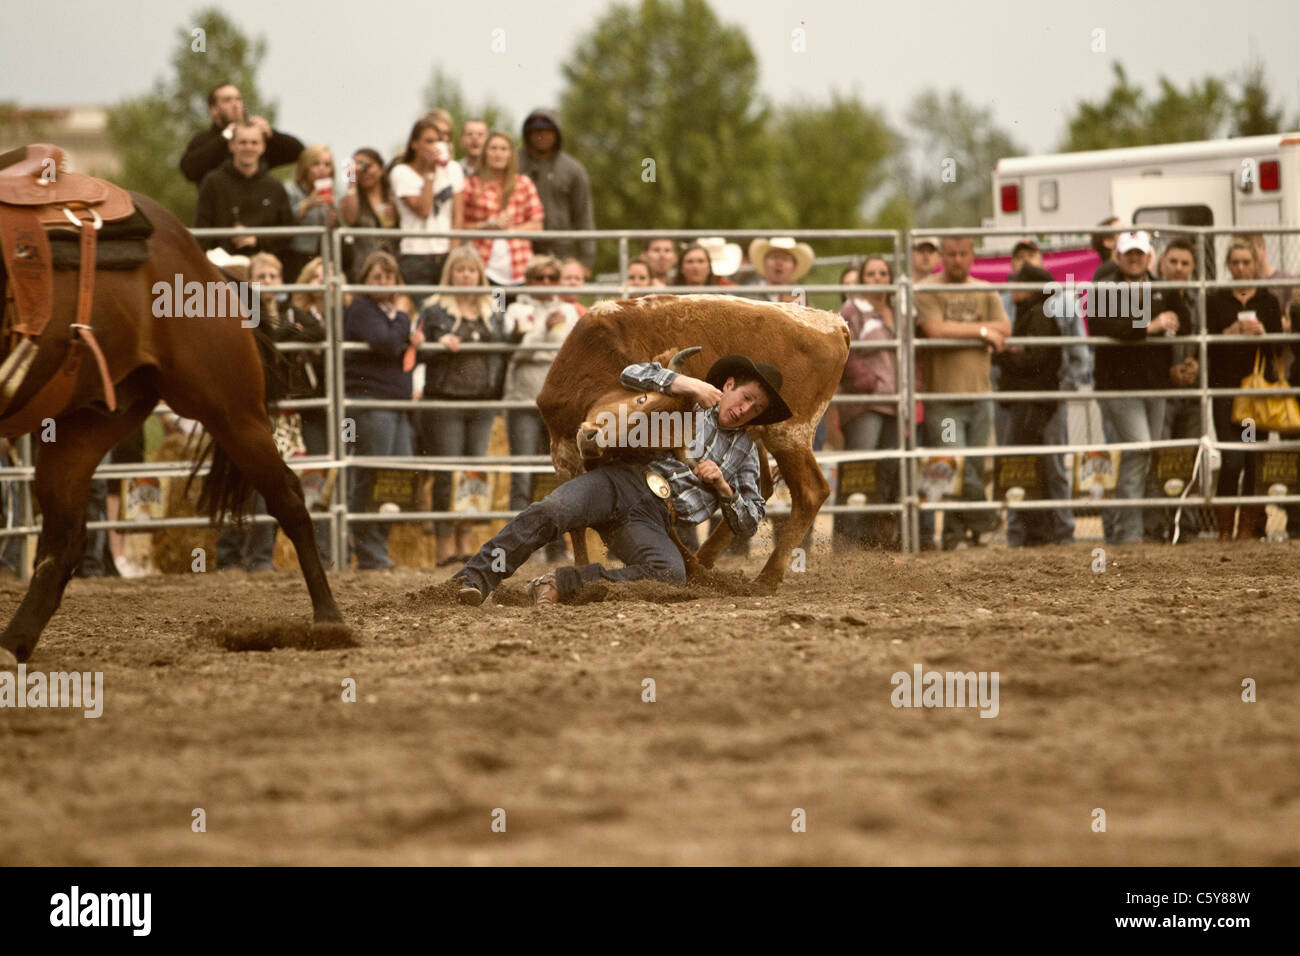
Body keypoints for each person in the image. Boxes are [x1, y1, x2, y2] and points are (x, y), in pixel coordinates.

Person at [452, 354, 792, 607]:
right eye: (746, 397)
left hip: (656, 519)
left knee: (669, 575)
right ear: (729, 385)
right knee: (553, 510)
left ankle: (560, 583)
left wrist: (723, 488)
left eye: (756, 409)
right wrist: (686, 383)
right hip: (621, 480)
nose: (746, 409)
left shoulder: (746, 453)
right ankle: (474, 577)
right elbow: (630, 374)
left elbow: (749, 523)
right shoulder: (686, 400)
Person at [914, 235, 1012, 551]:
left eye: (963, 254)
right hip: (943, 397)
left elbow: (1006, 328)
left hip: (981, 393)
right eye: (951, 254)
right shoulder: (928, 288)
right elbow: (935, 329)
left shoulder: (984, 289)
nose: (957, 260)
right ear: (943, 255)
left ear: (972, 256)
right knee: (954, 463)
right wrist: (983, 331)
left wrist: (988, 329)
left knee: (974, 466)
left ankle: (956, 536)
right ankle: (988, 520)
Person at [1090, 230, 1187, 546]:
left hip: (1154, 384)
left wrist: (1167, 325)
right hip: (1119, 387)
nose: (1134, 259)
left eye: (1139, 253)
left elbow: (1183, 319)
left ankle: (1145, 527)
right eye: (1128, 253)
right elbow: (1108, 326)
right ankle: (1128, 532)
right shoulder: (1105, 288)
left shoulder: (1162, 289)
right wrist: (1153, 325)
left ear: (1149, 257)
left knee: (1148, 454)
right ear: (1117, 257)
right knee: (1140, 450)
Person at [414, 246, 507, 566]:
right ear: (449, 274)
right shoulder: (433, 309)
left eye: (471, 270)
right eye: (459, 270)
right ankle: (443, 546)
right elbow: (416, 354)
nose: (465, 275)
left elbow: (503, 348)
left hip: (482, 399)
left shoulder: (493, 308)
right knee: (446, 474)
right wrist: (438, 346)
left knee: (473, 473)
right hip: (445, 399)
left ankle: (466, 542)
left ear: (479, 274)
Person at [344, 252, 424, 570]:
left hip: (395, 402)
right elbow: (386, 343)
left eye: (388, 277)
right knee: (372, 474)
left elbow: (398, 343)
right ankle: (368, 550)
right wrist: (404, 320)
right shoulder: (361, 309)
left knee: (396, 477)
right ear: (364, 281)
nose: (383, 282)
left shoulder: (389, 313)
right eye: (376, 277)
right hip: (372, 401)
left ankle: (377, 548)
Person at [502, 256, 579, 561]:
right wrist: (543, 333)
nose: (546, 283)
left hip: (558, 404)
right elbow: (513, 352)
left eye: (551, 277)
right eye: (539, 277)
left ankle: (558, 545)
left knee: (557, 473)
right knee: (522, 473)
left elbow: (574, 354)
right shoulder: (515, 309)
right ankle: (521, 547)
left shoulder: (571, 311)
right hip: (523, 399)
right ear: (530, 280)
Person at [1207, 239, 1284, 542]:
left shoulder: (1267, 301)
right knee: (1231, 460)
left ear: (1255, 265)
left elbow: (1280, 346)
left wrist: (1264, 332)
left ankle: (1247, 529)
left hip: (1256, 396)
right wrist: (1227, 334)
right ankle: (1225, 529)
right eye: (1235, 262)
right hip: (1226, 393)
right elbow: (1207, 348)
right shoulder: (1215, 300)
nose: (1240, 268)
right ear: (1227, 264)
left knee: (1252, 458)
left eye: (1245, 262)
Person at [216, 252, 288, 571]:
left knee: (265, 480)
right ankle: (230, 555)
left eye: (273, 276)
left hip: (265, 412)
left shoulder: (281, 313)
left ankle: (258, 556)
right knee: (238, 480)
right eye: (260, 276)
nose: (266, 283)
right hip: (237, 409)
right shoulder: (234, 313)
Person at [993, 263, 1067, 547]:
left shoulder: (1039, 316)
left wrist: (1003, 354)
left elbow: (1035, 360)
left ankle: (1036, 530)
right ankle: (1039, 529)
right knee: (1031, 462)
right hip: (1033, 399)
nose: (1013, 286)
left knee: (1023, 462)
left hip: (1032, 400)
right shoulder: (1037, 314)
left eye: (1019, 282)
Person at [835, 255, 900, 549]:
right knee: (859, 467)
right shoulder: (852, 308)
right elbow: (841, 347)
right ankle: (848, 537)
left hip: (896, 400)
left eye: (883, 273)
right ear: (862, 278)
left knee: (888, 470)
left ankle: (878, 539)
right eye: (871, 273)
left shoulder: (899, 310)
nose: (877, 278)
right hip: (865, 402)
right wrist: (868, 383)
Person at [1144, 237, 1202, 543]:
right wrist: (1167, 371)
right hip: (1160, 392)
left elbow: (1209, 342)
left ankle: (1186, 528)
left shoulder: (1198, 298)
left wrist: (1196, 366)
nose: (1178, 268)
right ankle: (1154, 528)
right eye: (1173, 262)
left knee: (1189, 458)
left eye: (1185, 264)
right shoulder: (1150, 295)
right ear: (1161, 263)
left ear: (1192, 268)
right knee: (1158, 457)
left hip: (1192, 392)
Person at [278, 257, 332, 564]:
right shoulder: (296, 314)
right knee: (313, 477)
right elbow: (306, 335)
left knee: (335, 479)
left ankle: (334, 548)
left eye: (327, 277)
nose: (321, 283)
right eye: (316, 277)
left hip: (340, 407)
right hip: (311, 405)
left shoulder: (344, 314)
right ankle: (317, 551)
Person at [193, 120, 294, 256]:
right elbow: (201, 230)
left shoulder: (275, 187)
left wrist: (256, 240)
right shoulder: (212, 182)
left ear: (263, 146)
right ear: (231, 145)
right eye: (243, 142)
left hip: (265, 266)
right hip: (221, 265)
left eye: (254, 142)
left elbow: (287, 233)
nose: (248, 147)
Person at [389, 118, 465, 288]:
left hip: (446, 253)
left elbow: (458, 215)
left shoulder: (453, 169)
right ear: (414, 144)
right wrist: (430, 173)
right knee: (424, 312)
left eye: (438, 141)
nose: (434, 146)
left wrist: (453, 253)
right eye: (429, 141)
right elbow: (424, 210)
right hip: (416, 255)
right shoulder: (400, 172)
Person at [180, 82, 303, 186]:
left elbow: (298, 151)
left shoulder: (255, 140)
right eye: (227, 100)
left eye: (238, 99)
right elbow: (189, 170)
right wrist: (225, 137)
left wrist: (271, 135)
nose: (235, 104)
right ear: (214, 109)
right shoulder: (204, 140)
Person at [519, 109, 596, 274]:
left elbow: (583, 215)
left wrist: (586, 259)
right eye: (536, 131)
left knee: (561, 298)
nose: (542, 136)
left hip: (562, 252)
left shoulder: (573, 169)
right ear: (527, 134)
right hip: (521, 250)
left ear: (557, 134)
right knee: (517, 299)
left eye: (548, 131)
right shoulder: (514, 165)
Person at [464, 132, 545, 286]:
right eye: (493, 148)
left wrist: (509, 231)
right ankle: (497, 309)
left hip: (520, 270)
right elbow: (460, 225)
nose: (498, 154)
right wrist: (489, 225)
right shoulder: (471, 185)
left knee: (519, 310)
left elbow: (537, 225)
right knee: (497, 308)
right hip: (487, 270)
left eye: (503, 149)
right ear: (485, 153)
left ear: (510, 154)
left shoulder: (523, 184)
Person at [339, 147, 399, 282]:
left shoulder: (392, 195)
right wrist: (352, 178)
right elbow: (350, 218)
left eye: (368, 166)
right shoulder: (351, 199)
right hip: (364, 267)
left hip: (393, 263)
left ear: (381, 168)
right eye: (358, 167)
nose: (364, 172)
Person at [282, 144, 339, 282]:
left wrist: (334, 221)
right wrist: (308, 204)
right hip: (295, 255)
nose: (322, 169)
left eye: (327, 164)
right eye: (316, 164)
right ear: (305, 167)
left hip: (323, 255)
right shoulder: (290, 189)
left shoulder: (332, 195)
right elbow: (284, 219)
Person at [748, 237, 815, 303]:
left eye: (785, 259)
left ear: (794, 266)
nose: (779, 263)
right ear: (764, 262)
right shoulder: (748, 292)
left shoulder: (799, 295)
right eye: (774, 257)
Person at [671, 243, 736, 289]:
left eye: (701, 261)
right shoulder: (670, 293)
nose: (695, 266)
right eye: (690, 261)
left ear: (709, 267)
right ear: (681, 268)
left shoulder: (723, 295)